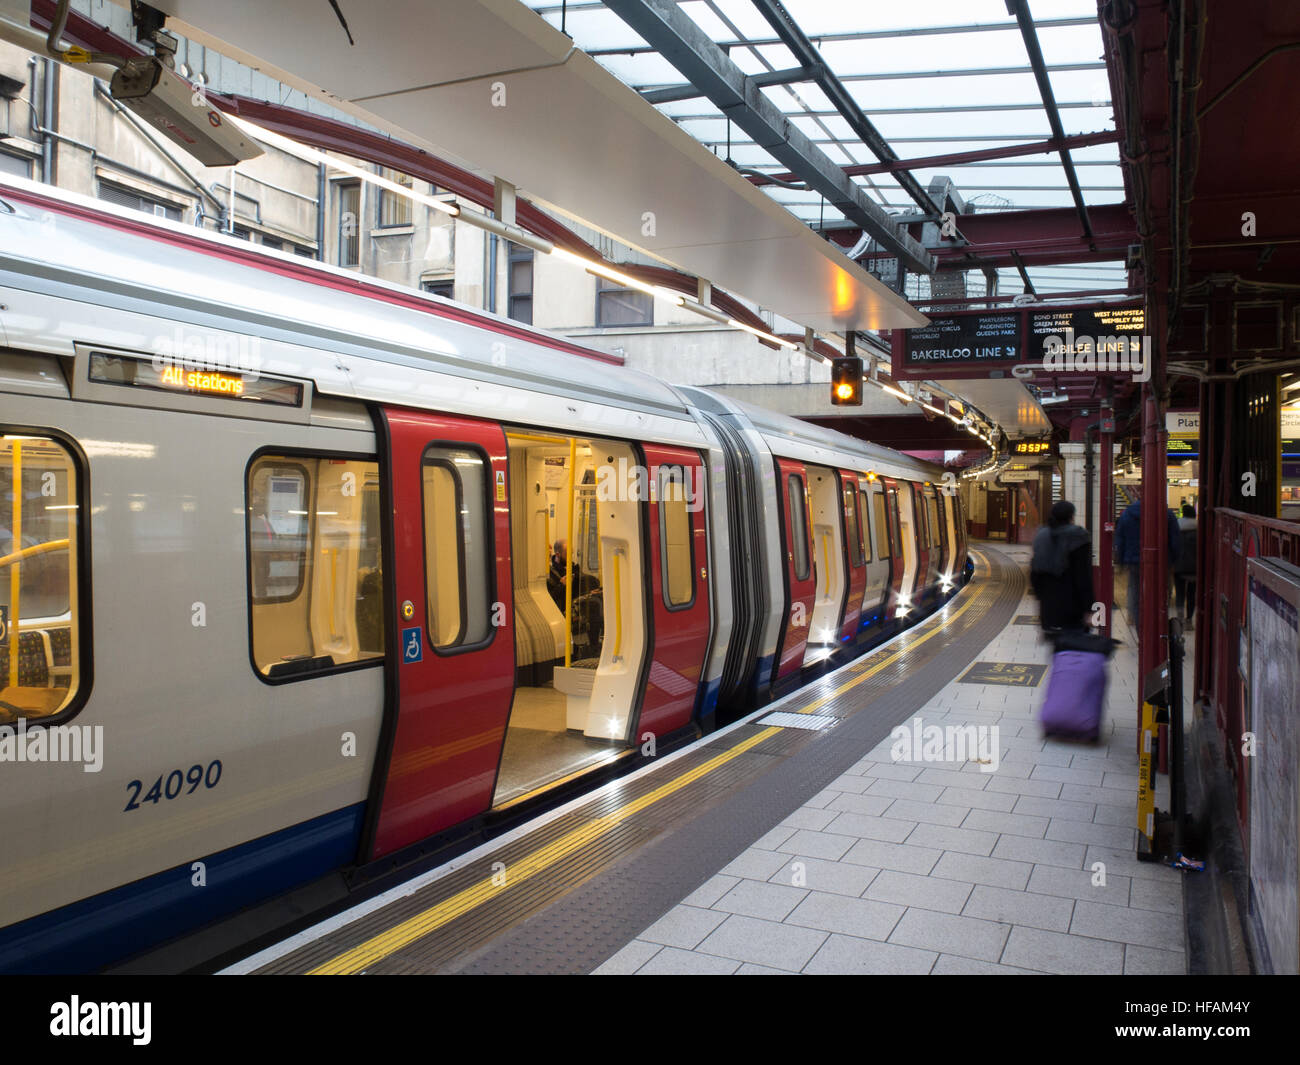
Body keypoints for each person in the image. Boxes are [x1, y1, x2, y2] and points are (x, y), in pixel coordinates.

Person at [1113, 498, 1181, 626]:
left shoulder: (1127, 513)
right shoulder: (1167, 513)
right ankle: (1157, 617)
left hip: (1133, 560)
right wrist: (1173, 559)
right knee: (1161, 588)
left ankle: (1133, 617)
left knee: (1133, 588)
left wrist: (1120, 560)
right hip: (1160, 559)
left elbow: (1119, 538)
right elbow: (1175, 539)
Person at [1030, 500, 1094, 632]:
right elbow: (1083, 576)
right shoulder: (1078, 537)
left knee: (1058, 647)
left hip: (1048, 608)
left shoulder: (1041, 536)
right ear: (1071, 517)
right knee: (1073, 648)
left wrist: (1041, 597)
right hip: (1072, 607)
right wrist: (1089, 608)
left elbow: (1034, 573)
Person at [1174, 502, 1197, 626]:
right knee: (1191, 594)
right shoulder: (1199, 529)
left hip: (1179, 567)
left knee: (1180, 593)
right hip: (1194, 568)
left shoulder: (1176, 528)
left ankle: (1180, 616)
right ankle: (1189, 620)